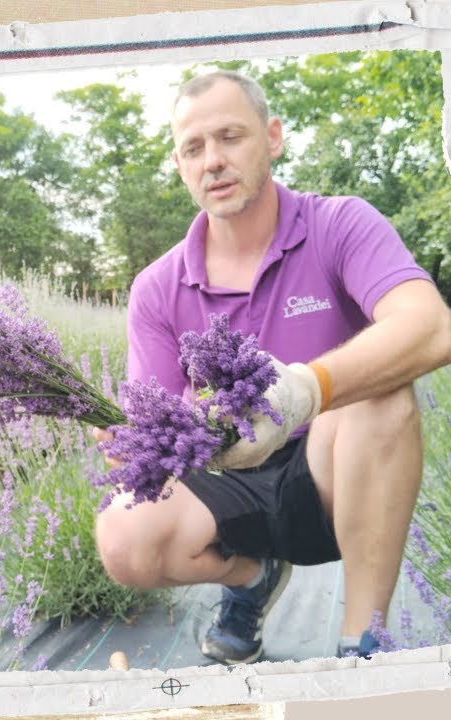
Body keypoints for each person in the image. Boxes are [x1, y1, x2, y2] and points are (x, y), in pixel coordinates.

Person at [91, 69, 451, 665]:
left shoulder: (339, 225)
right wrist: (129, 444)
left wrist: (306, 390)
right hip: (230, 477)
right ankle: (249, 580)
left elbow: (432, 325)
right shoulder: (157, 287)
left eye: (230, 136)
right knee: (124, 534)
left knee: (383, 391)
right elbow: (153, 427)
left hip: (336, 473)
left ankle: (361, 646)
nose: (213, 160)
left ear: (273, 137)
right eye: (194, 148)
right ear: (179, 165)